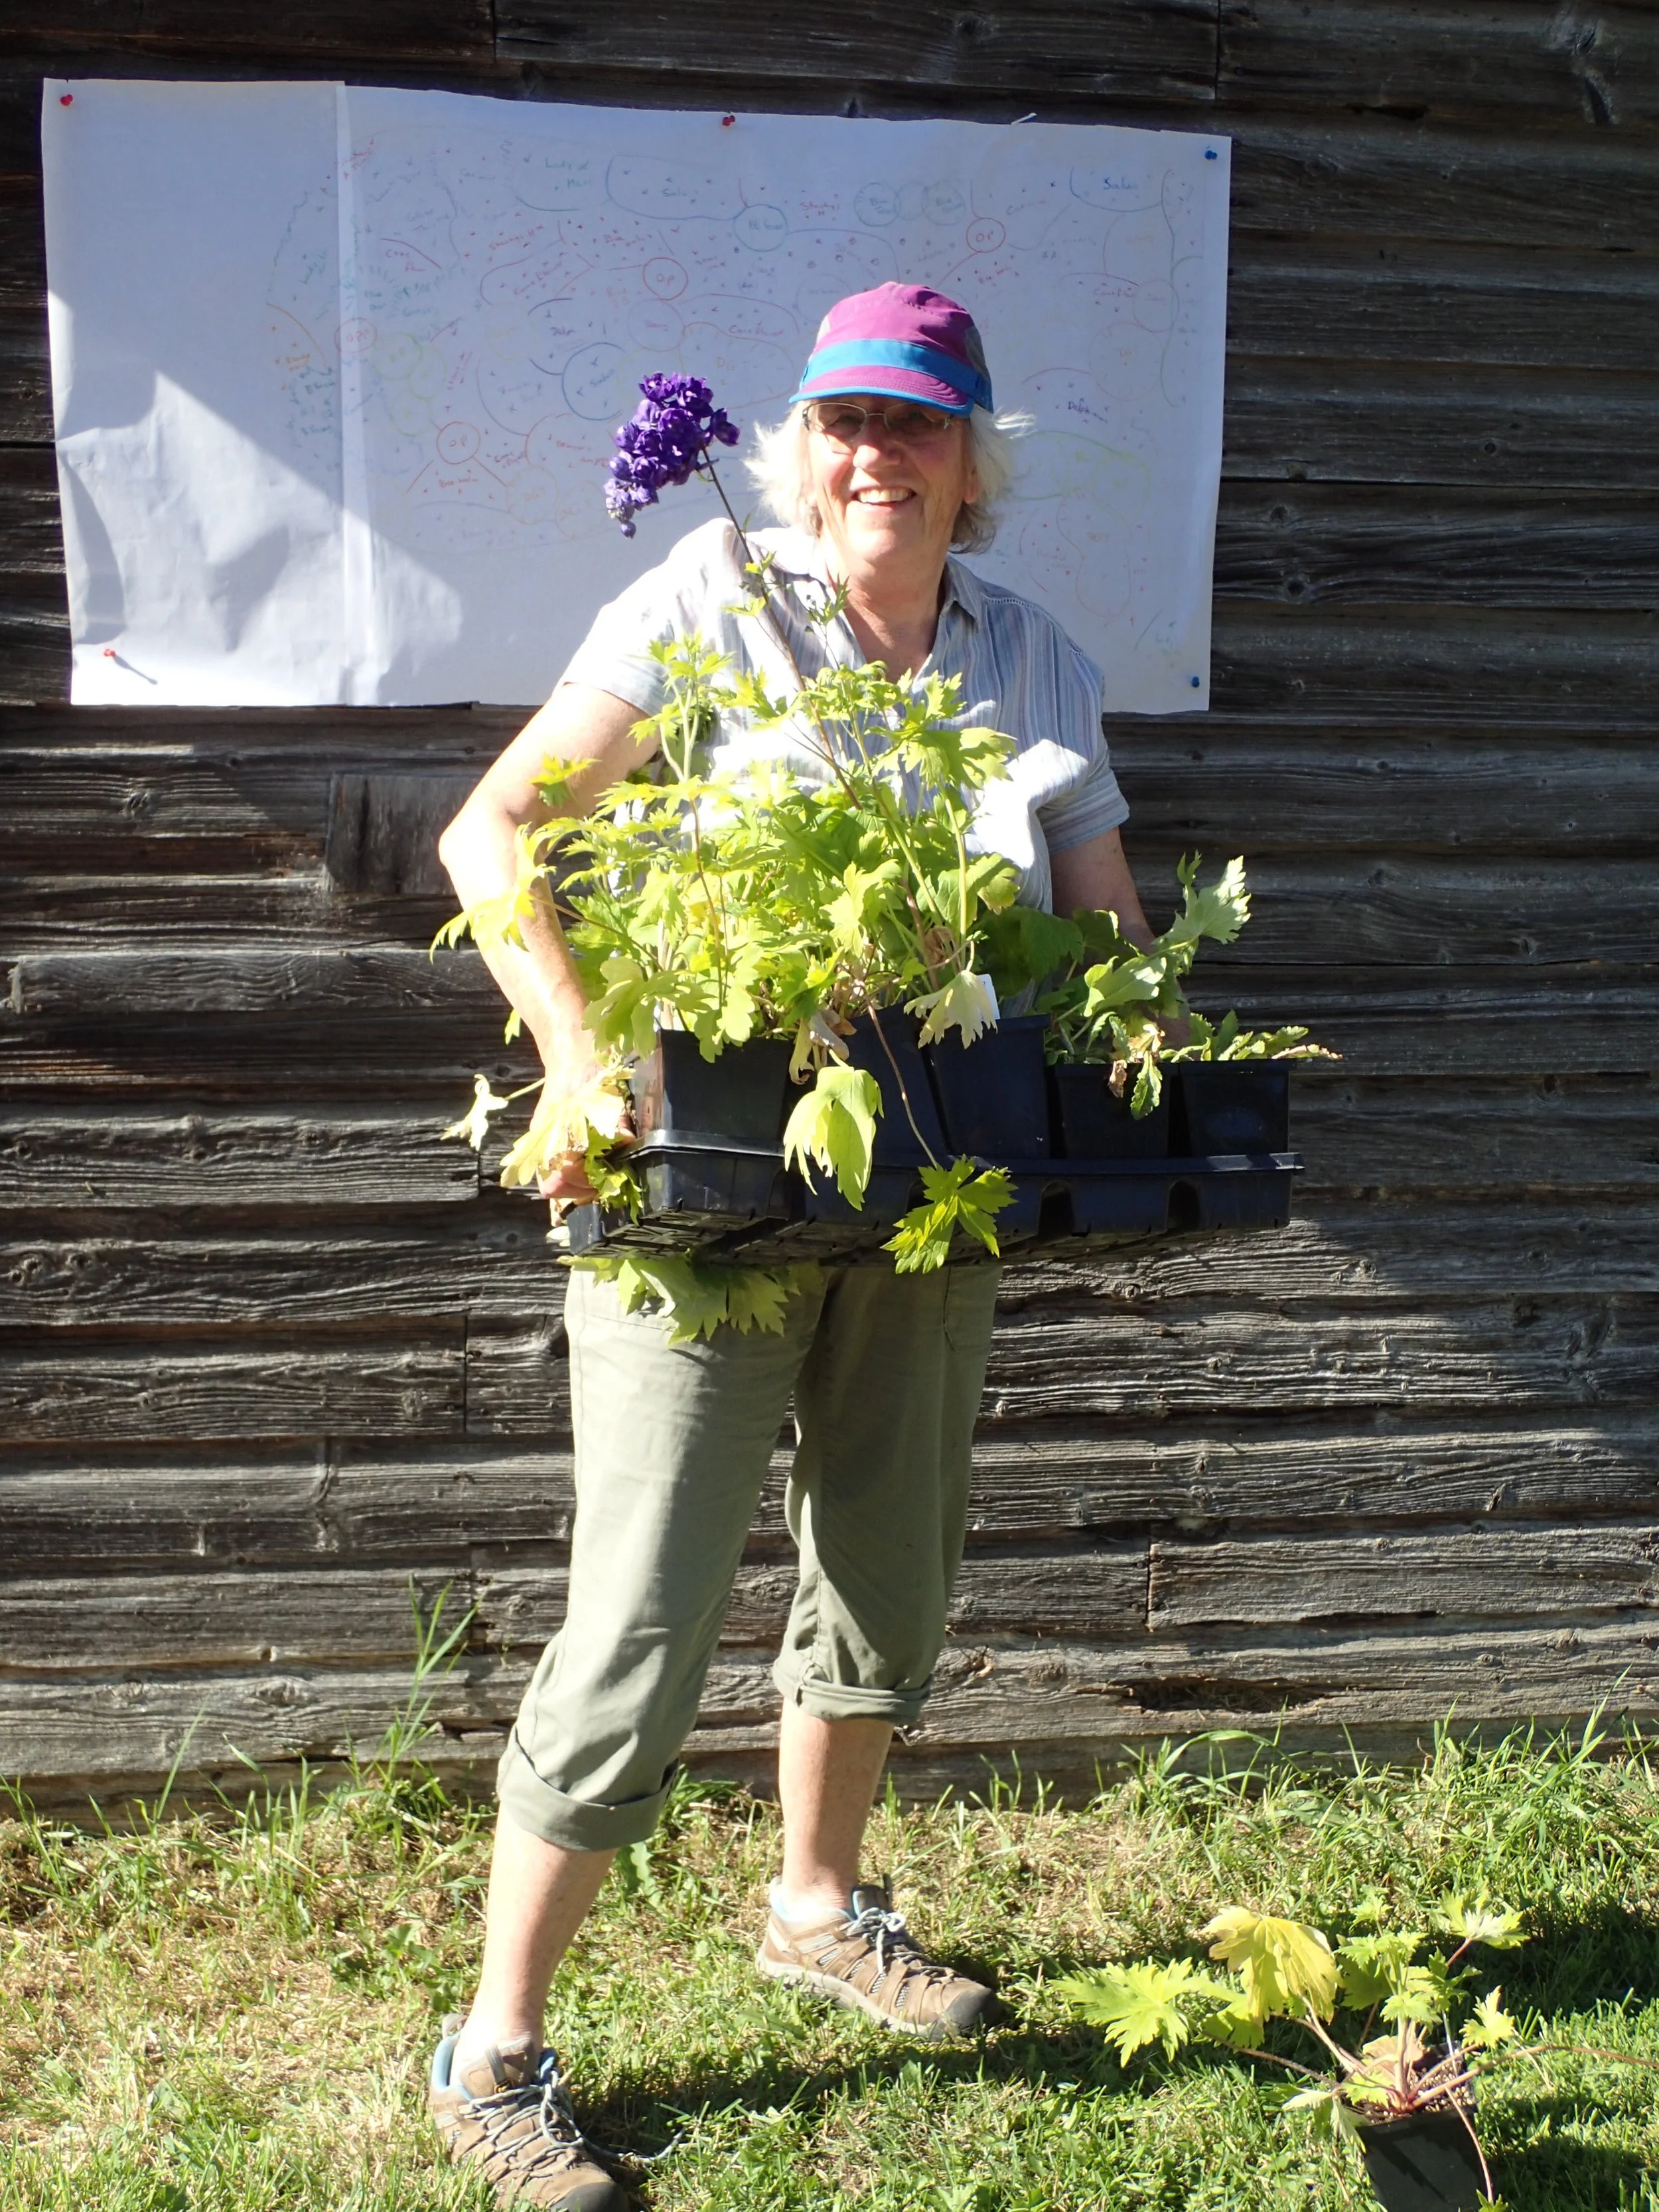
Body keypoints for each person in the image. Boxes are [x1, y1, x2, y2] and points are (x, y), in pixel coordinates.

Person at [427, 283, 1158, 2211]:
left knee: (888, 1581)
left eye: (914, 427)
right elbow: (494, 833)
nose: (872, 457)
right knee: (643, 1620)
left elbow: (1104, 931)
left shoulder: (1034, 664)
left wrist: (1147, 1035)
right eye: (842, 419)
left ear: (970, 460)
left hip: (931, 1196)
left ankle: (818, 1903)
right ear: (791, 442)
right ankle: (493, 2045)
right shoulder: (703, 606)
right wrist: (582, 1056)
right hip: (708, 1194)